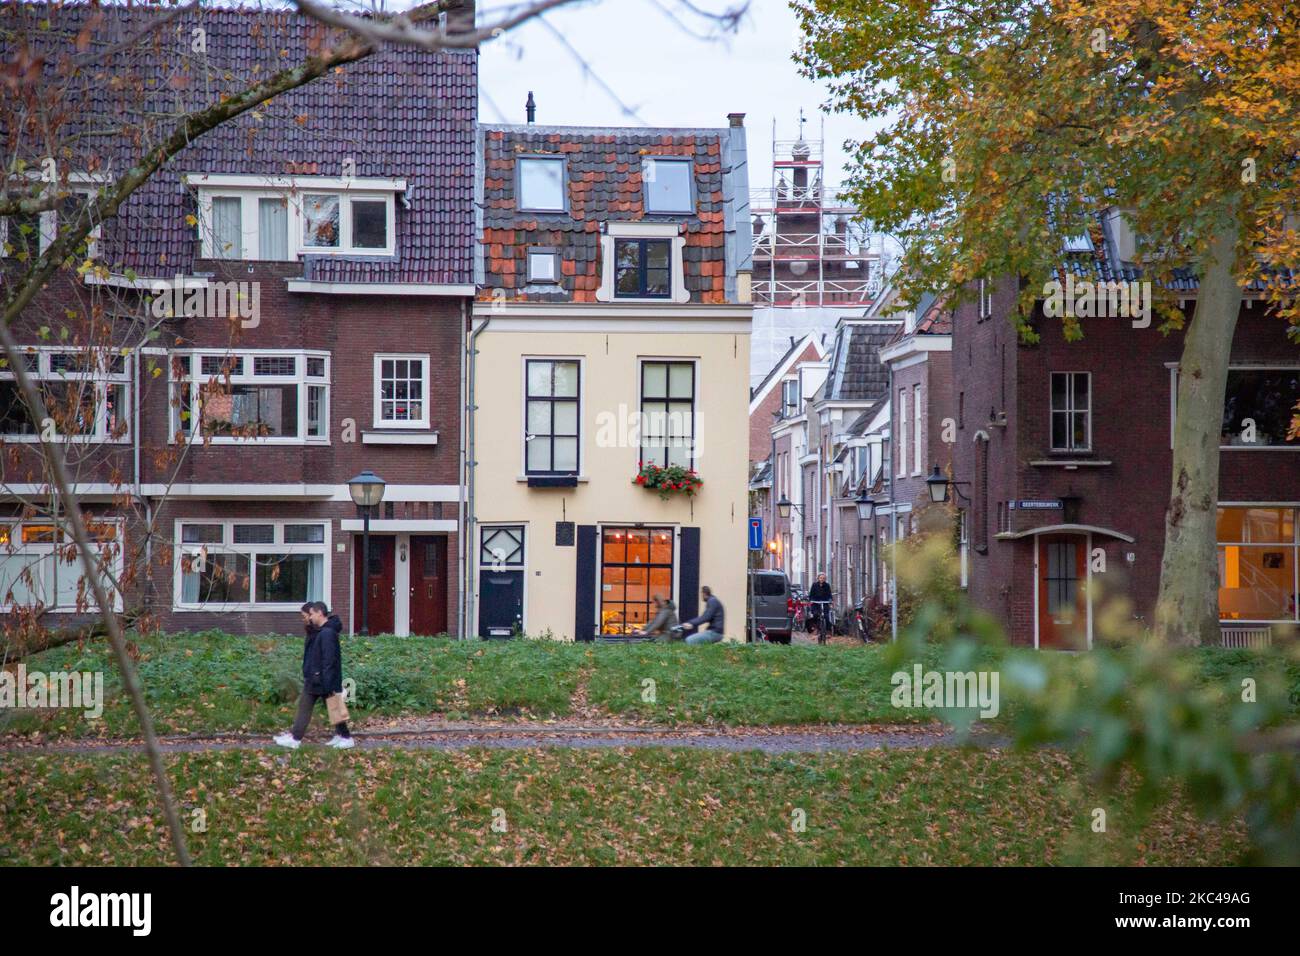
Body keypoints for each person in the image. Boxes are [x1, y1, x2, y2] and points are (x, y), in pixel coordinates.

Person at [274, 601, 353, 750]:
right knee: (332, 707)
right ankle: (343, 736)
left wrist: (326, 680)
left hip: (320, 678)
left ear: (319, 613)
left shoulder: (327, 633)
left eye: (311, 614)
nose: (309, 618)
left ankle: (296, 738)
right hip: (319, 677)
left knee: (310, 706)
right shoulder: (323, 631)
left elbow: (329, 659)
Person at [808, 573, 833, 642]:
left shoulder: (827, 585)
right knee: (816, 614)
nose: (822, 579)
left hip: (824, 602)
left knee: (826, 616)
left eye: (823, 578)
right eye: (821, 578)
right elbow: (811, 594)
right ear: (818, 578)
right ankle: (816, 628)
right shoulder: (814, 585)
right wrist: (811, 600)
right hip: (816, 603)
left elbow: (829, 595)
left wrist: (830, 600)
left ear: (825, 579)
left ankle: (828, 631)